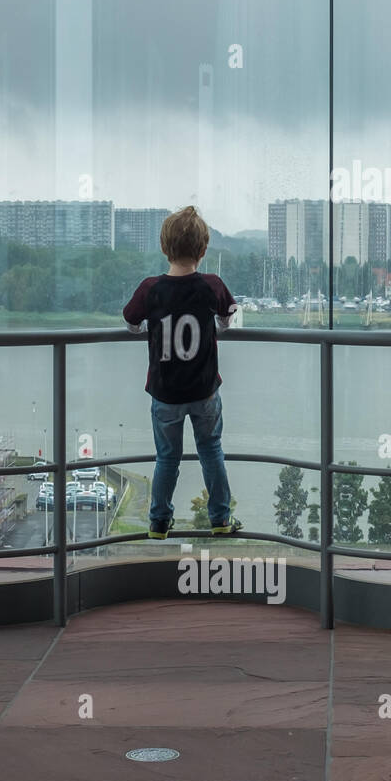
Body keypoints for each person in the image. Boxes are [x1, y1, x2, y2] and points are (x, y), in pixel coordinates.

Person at [122, 206, 241, 540]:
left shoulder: (151, 289)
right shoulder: (212, 285)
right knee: (211, 451)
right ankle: (220, 518)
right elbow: (228, 314)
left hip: (165, 393)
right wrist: (220, 323)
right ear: (203, 251)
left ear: (164, 248)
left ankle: (159, 521)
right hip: (204, 391)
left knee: (167, 458)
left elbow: (131, 321)